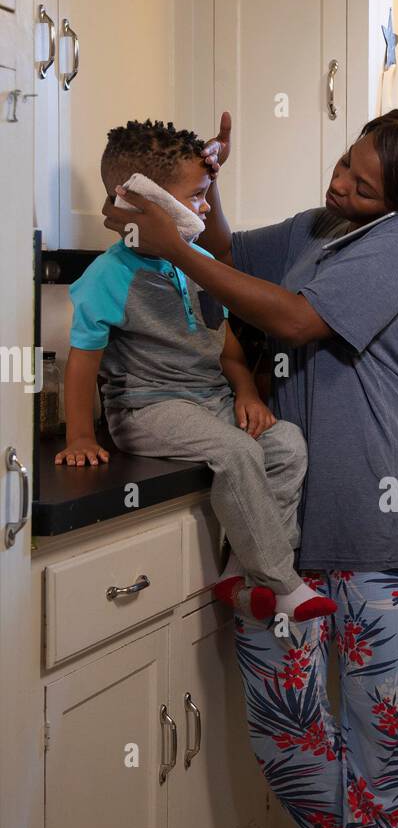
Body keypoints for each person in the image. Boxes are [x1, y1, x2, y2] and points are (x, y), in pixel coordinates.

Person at [101, 108, 398, 828]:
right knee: (292, 739)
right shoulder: (317, 227)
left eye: (363, 183)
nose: (341, 184)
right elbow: (237, 252)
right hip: (292, 525)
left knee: (384, 743)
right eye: (345, 163)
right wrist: (200, 200)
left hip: (388, 513)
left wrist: (175, 251)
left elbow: (293, 319)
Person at [57, 118, 335, 626]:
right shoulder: (109, 276)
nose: (206, 207)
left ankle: (239, 571)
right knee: (236, 450)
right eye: (198, 196)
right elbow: (82, 362)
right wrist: (78, 435)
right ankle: (281, 581)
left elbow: (225, 344)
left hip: (210, 402)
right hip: (148, 409)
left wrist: (247, 392)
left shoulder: (198, 261)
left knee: (287, 443)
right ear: (145, 203)